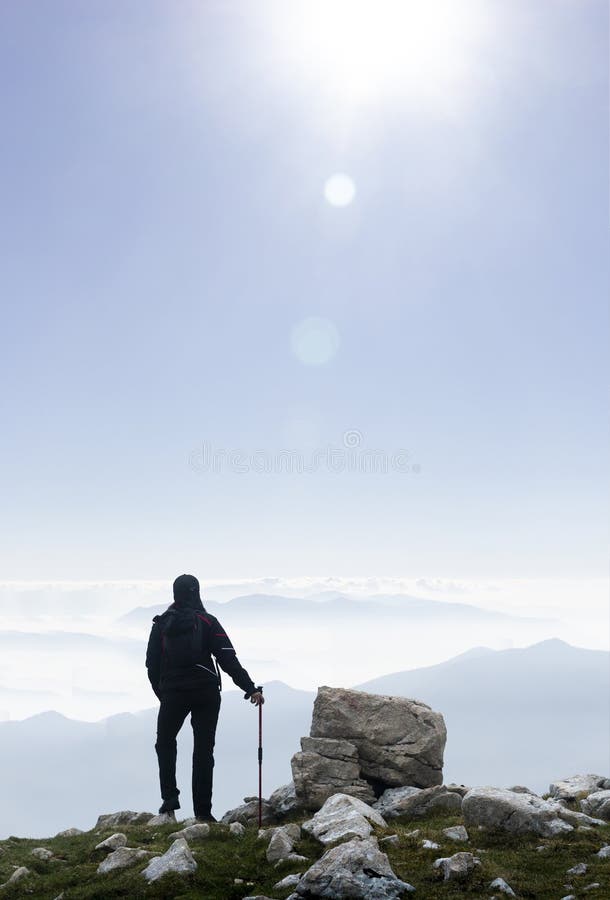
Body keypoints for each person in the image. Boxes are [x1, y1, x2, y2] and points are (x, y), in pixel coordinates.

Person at [145, 573, 264, 822]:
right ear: (196, 593)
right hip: (206, 693)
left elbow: (151, 665)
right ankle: (203, 813)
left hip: (173, 694)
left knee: (165, 742)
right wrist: (250, 688)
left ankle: (169, 799)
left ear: (175, 593)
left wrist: (163, 694)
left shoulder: (161, 624)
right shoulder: (208, 622)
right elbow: (228, 659)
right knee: (203, 752)